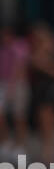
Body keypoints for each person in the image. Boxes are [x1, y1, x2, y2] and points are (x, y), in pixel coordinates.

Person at [27, 24, 54, 162]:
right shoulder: (34, 51)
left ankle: (49, 148)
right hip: (38, 89)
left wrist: (42, 65)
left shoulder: (52, 52)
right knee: (40, 120)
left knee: (48, 118)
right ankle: (46, 147)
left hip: (49, 89)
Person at [0, 25, 30, 159]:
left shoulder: (19, 47)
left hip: (17, 85)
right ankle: (5, 144)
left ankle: (20, 147)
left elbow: (20, 66)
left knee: (19, 116)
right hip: (3, 83)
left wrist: (12, 86)